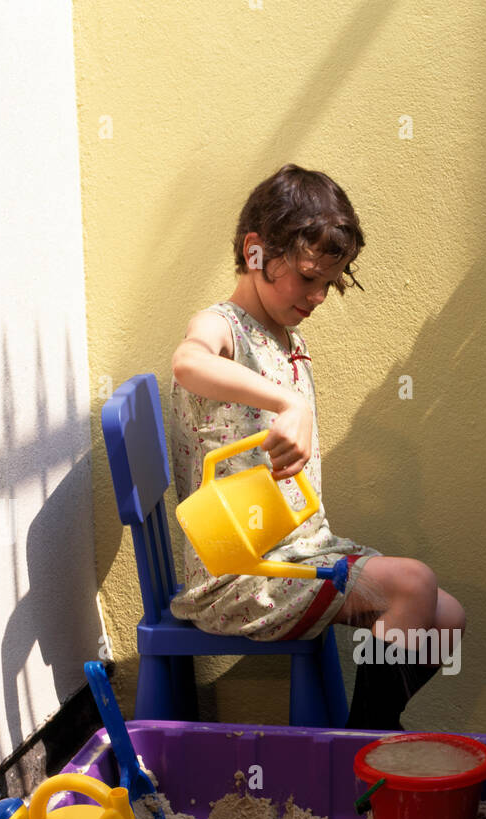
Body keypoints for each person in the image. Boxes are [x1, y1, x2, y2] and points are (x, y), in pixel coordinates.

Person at [169, 163, 465, 729]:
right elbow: (188, 362)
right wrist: (289, 403)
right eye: (309, 278)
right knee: (415, 584)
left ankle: (367, 730)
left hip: (300, 553)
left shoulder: (289, 340)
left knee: (447, 618)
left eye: (329, 283)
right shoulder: (221, 326)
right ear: (256, 252)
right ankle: (365, 747)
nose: (319, 295)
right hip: (241, 573)